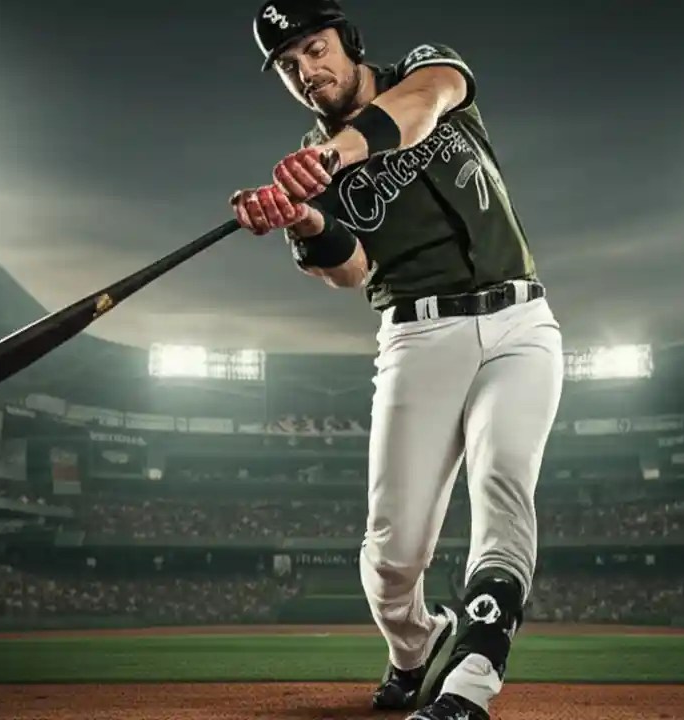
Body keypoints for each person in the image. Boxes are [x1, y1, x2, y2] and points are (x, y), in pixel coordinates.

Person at [230, 2, 564, 719]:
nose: (305, 71)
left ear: (347, 41)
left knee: (505, 479)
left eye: (314, 49)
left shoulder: (423, 67)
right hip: (418, 339)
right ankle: (415, 644)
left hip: (521, 322)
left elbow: (421, 107)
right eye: (288, 65)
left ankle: (472, 679)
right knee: (392, 556)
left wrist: (333, 154)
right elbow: (351, 271)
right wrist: (305, 221)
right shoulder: (309, 176)